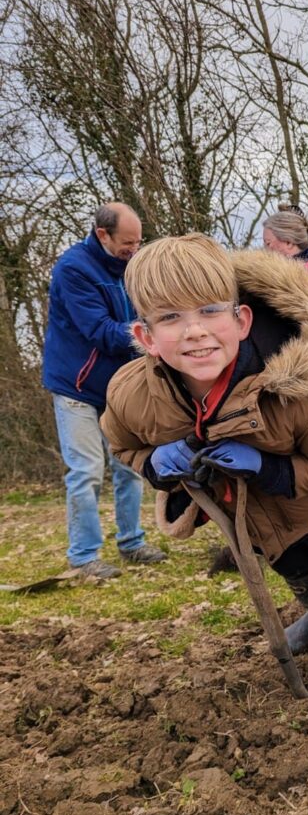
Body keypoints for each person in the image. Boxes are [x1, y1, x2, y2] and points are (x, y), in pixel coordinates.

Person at [101, 233, 308, 658]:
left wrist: (271, 470)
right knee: (290, 565)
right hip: (248, 519)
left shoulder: (302, 388)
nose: (195, 331)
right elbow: (122, 444)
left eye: (209, 310)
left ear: (241, 320)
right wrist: (153, 464)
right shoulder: (131, 395)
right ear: (146, 337)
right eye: (170, 317)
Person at [42, 202, 167, 579]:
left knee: (129, 465)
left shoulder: (133, 267)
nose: (135, 249)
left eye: (139, 242)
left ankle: (131, 542)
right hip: (76, 386)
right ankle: (83, 557)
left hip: (119, 387)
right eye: (128, 242)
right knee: (86, 470)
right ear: (102, 235)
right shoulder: (73, 269)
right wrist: (156, 335)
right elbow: (100, 331)